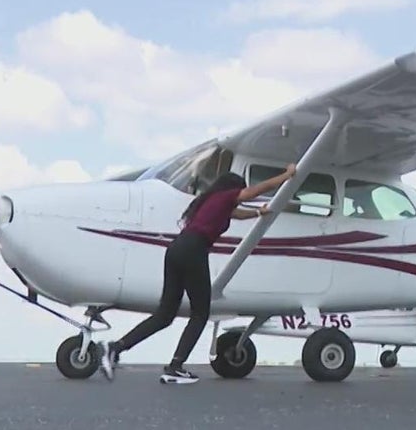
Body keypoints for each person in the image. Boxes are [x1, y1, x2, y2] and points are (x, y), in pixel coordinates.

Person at [97, 164, 297, 384]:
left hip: (176, 249)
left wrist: (257, 213)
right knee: (200, 313)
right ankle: (175, 367)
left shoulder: (210, 200)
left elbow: (236, 214)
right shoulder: (226, 196)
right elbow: (253, 192)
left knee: (165, 315)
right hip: (194, 250)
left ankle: (115, 348)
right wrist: (286, 176)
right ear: (233, 188)